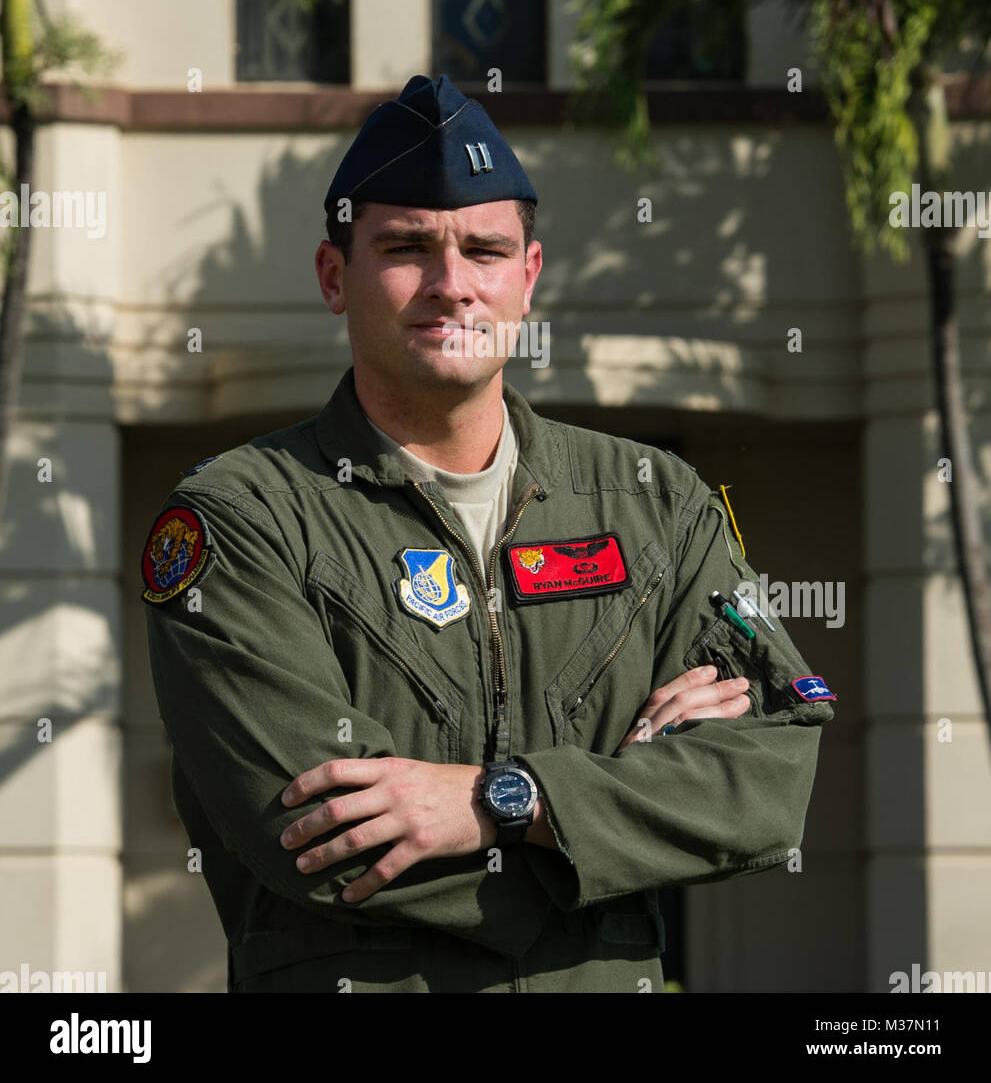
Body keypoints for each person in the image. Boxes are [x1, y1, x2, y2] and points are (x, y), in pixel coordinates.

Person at [140, 73, 836, 994]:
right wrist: (628, 813)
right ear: (332, 276)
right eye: (406, 248)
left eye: (484, 250)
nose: (451, 285)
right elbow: (327, 844)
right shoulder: (242, 520)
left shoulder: (654, 502)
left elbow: (768, 786)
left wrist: (501, 803)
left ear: (527, 277)